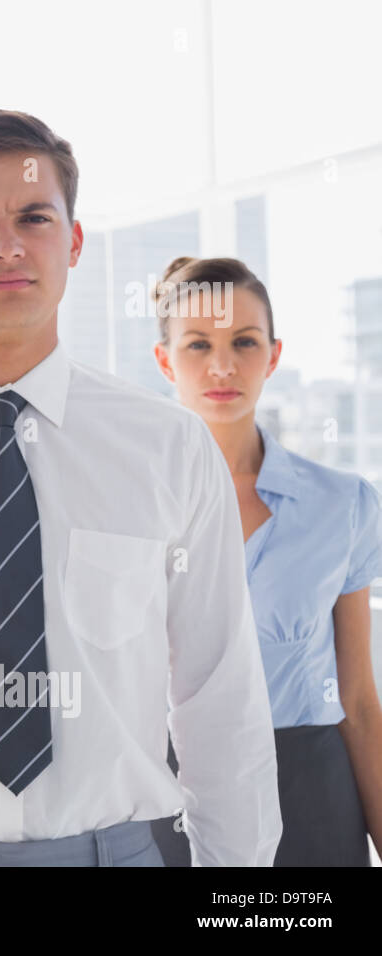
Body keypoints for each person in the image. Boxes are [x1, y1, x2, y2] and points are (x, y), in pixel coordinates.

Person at [0, 110, 281, 866]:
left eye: (34, 217)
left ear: (72, 242)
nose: (6, 244)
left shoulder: (168, 449)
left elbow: (217, 695)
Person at [149, 255, 382, 866]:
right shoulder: (126, 506)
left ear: (273, 355)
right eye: (198, 344)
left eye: (243, 342)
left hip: (311, 795)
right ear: (165, 360)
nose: (222, 366)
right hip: (166, 794)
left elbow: (358, 700)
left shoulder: (343, 504)